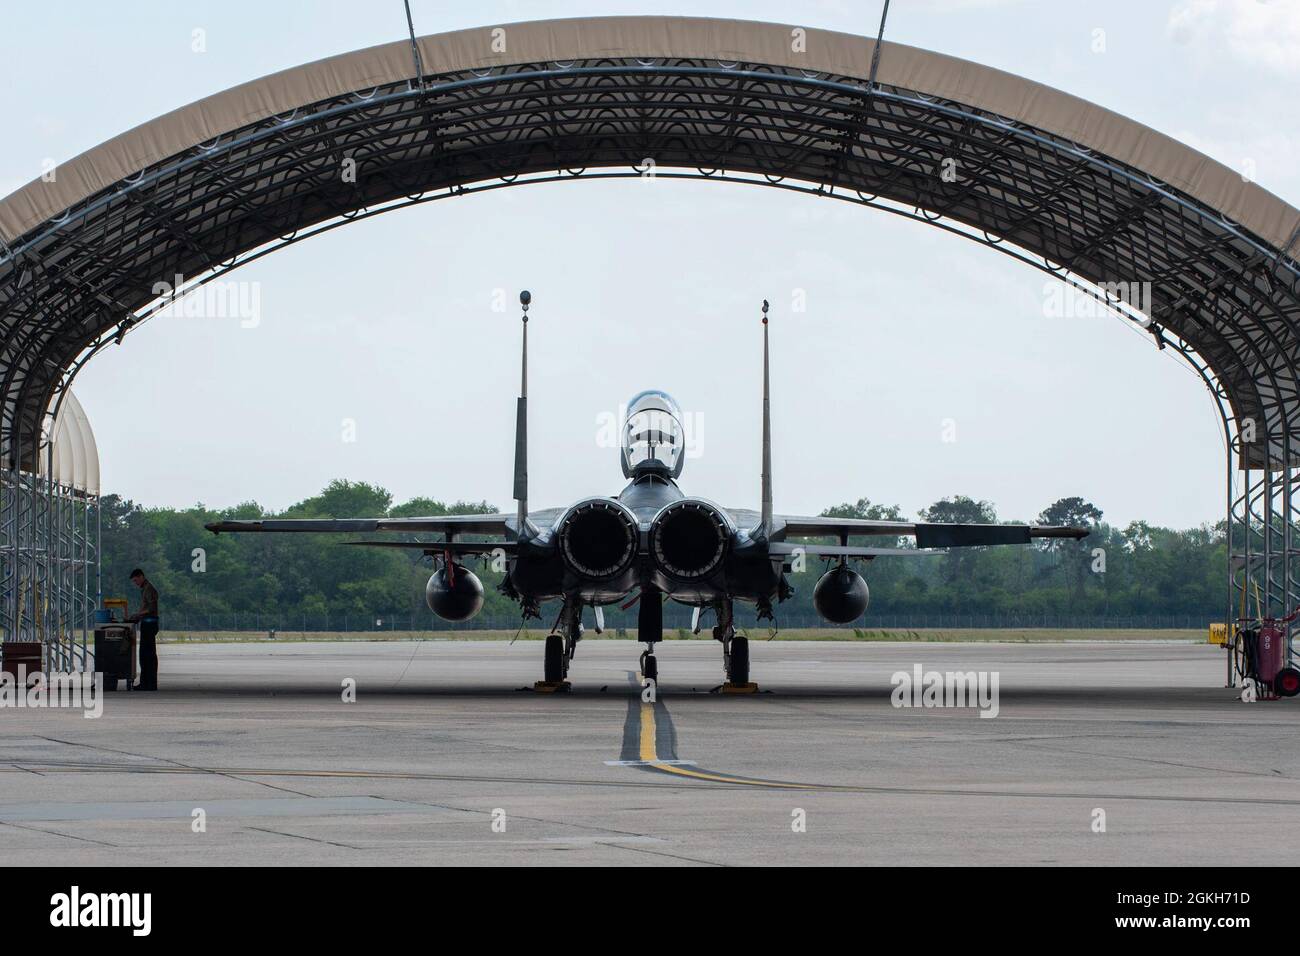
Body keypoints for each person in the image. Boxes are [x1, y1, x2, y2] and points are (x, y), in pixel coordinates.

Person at [127, 568, 159, 691]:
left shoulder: (149, 589)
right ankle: (146, 682)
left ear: (141, 576)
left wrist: (138, 614)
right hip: (147, 623)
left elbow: (151, 608)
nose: (136, 583)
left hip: (150, 623)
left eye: (136, 580)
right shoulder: (145, 589)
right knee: (145, 655)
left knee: (148, 655)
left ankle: (149, 684)